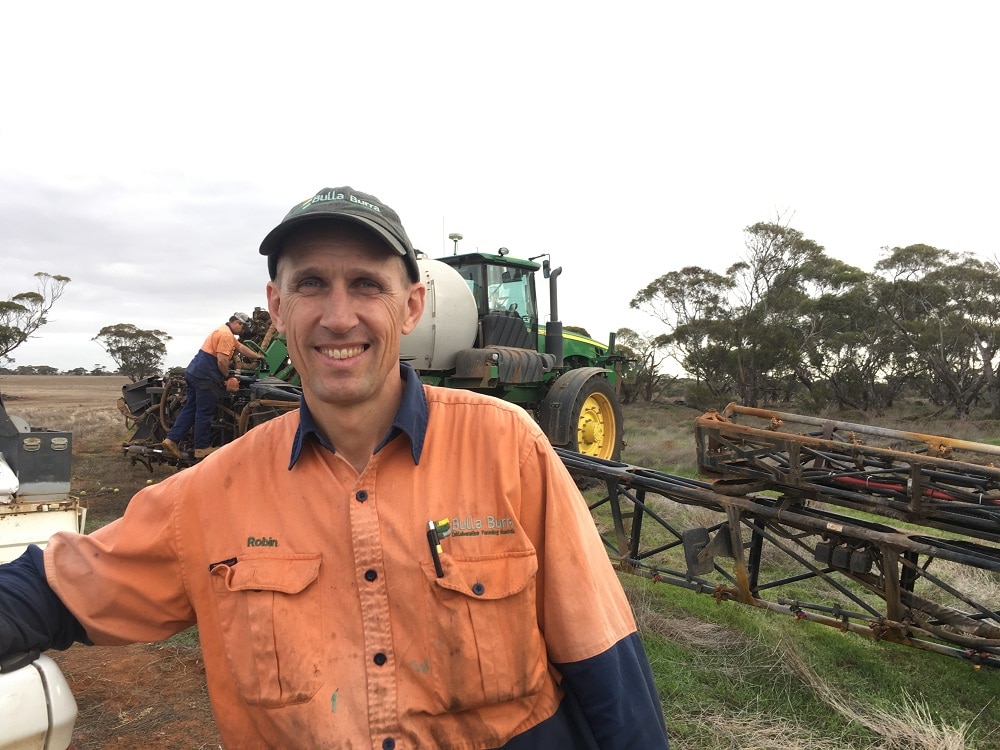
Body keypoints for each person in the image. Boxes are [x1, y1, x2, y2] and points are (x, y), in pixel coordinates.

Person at [0, 187, 670, 749]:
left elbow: (607, 668)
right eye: (312, 284)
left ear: (411, 307)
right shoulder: (213, 494)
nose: (339, 315)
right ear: (278, 307)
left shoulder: (510, 449)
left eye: (366, 285)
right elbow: (59, 587)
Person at [161, 312, 265, 459]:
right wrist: (228, 376)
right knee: (204, 412)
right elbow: (222, 361)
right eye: (243, 328)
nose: (243, 332)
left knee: (191, 407)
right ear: (237, 323)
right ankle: (201, 447)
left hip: (193, 372)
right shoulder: (226, 336)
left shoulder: (221, 331)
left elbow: (241, 348)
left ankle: (171, 439)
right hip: (205, 377)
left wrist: (259, 357)